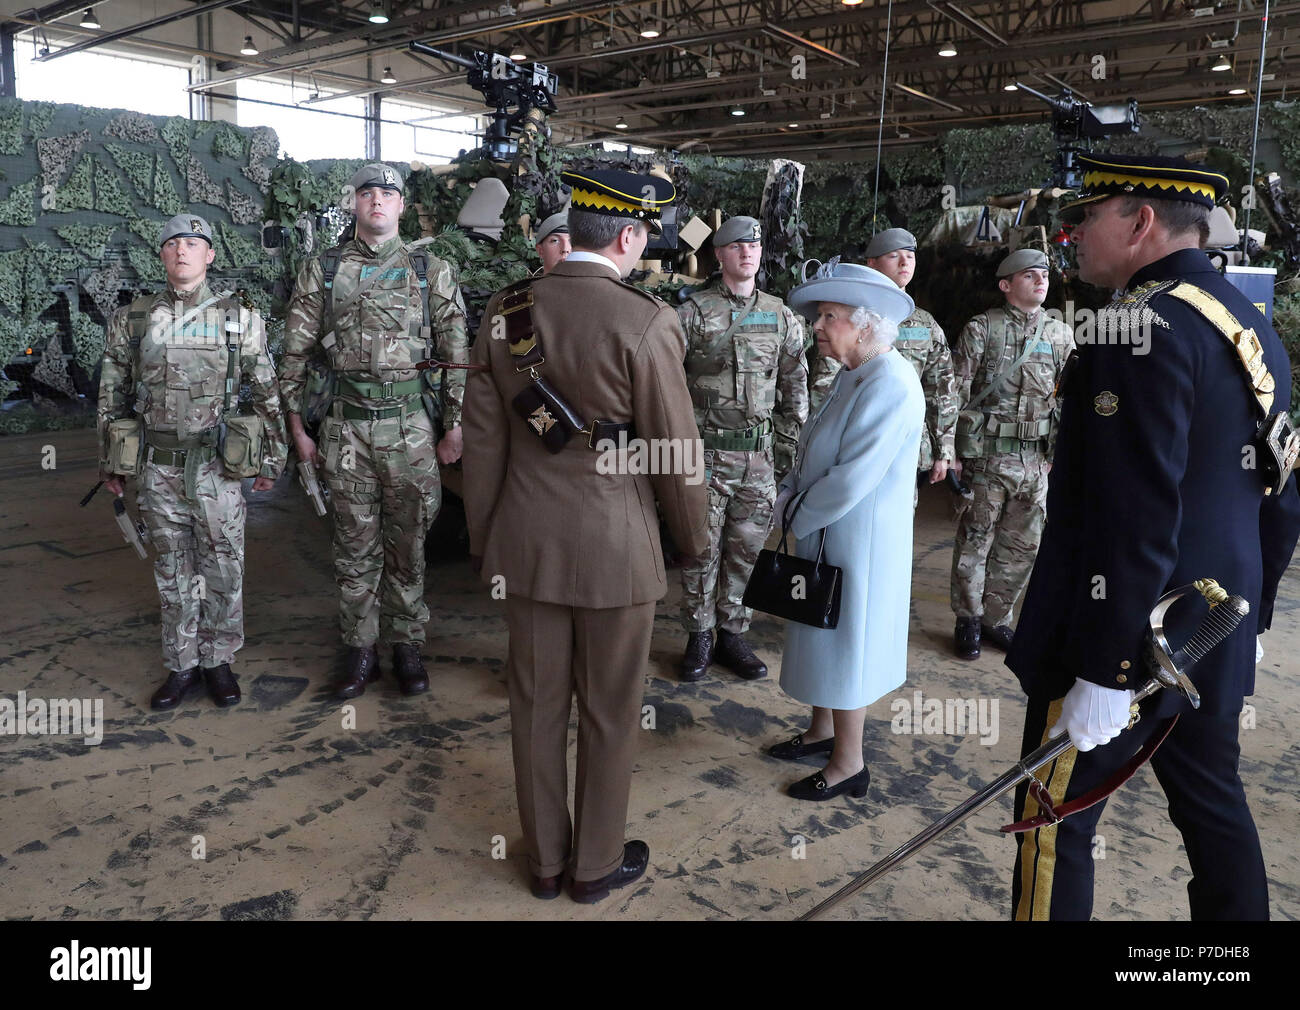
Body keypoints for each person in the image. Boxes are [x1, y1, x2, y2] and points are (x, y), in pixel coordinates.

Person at [1006, 152, 1300, 920]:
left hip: (1128, 636)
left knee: (1051, 819)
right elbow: (1280, 492)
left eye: (1086, 219)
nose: (1073, 238)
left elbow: (1130, 513)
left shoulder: (1130, 324)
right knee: (1212, 807)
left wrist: (1104, 669)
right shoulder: (1250, 325)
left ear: (1139, 222)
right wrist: (1252, 614)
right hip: (1212, 625)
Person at [462, 167, 708, 902]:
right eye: (644, 237)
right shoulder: (646, 320)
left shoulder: (505, 311)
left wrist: (487, 539)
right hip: (617, 550)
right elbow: (675, 450)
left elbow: (483, 441)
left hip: (525, 545)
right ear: (628, 236)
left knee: (535, 709)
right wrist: (692, 540)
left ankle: (542, 861)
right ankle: (594, 866)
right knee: (609, 712)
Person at [279, 163, 470, 699]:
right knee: (352, 545)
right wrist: (298, 429)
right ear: (354, 203)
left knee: (408, 545)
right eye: (368, 193)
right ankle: (359, 649)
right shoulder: (325, 268)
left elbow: (456, 355)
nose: (378, 201)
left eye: (388, 193)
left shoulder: (431, 269)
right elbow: (294, 352)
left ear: (402, 206)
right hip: (347, 429)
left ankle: (407, 645)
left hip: (410, 427)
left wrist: (454, 427)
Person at [96, 212, 288, 710]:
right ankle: (181, 665)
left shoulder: (237, 318)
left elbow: (266, 390)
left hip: (216, 468)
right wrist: (111, 463)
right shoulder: (133, 318)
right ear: (161, 254)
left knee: (223, 567)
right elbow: (111, 393)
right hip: (157, 467)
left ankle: (218, 661)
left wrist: (273, 458)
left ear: (210, 255)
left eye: (193, 243)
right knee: (172, 569)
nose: (183, 250)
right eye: (173, 243)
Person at [765, 262, 923, 801]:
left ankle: (848, 764)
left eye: (828, 316)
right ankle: (821, 731)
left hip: (860, 540)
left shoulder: (892, 381)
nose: (817, 325)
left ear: (864, 324)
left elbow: (853, 476)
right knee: (820, 630)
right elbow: (813, 450)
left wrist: (792, 510)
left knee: (845, 644)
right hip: (828, 531)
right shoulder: (852, 375)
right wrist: (791, 490)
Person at [677, 215, 809, 682]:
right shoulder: (692, 313)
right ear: (719, 254)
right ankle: (699, 633)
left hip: (758, 458)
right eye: (735, 246)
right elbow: (668, 386)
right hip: (706, 456)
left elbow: (795, 384)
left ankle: (732, 631)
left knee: (746, 548)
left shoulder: (780, 314)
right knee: (700, 549)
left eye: (753, 245)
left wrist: (790, 453)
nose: (746, 252)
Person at [949, 248, 1073, 660]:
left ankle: (995, 620)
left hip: (1036, 462)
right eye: (1029, 275)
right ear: (1006, 285)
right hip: (988, 458)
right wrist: (949, 450)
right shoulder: (982, 329)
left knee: (1022, 546)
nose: (1041, 280)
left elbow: (1065, 399)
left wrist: (1056, 452)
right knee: (976, 540)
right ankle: (968, 619)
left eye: (1044, 274)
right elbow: (956, 393)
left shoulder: (1060, 334)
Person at [807, 229, 958, 487]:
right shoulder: (850, 318)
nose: (904, 263)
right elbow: (825, 386)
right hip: (853, 443)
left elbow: (941, 388)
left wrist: (943, 450)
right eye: (894, 255)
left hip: (906, 446)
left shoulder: (926, 325)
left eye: (910, 256)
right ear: (872, 263)